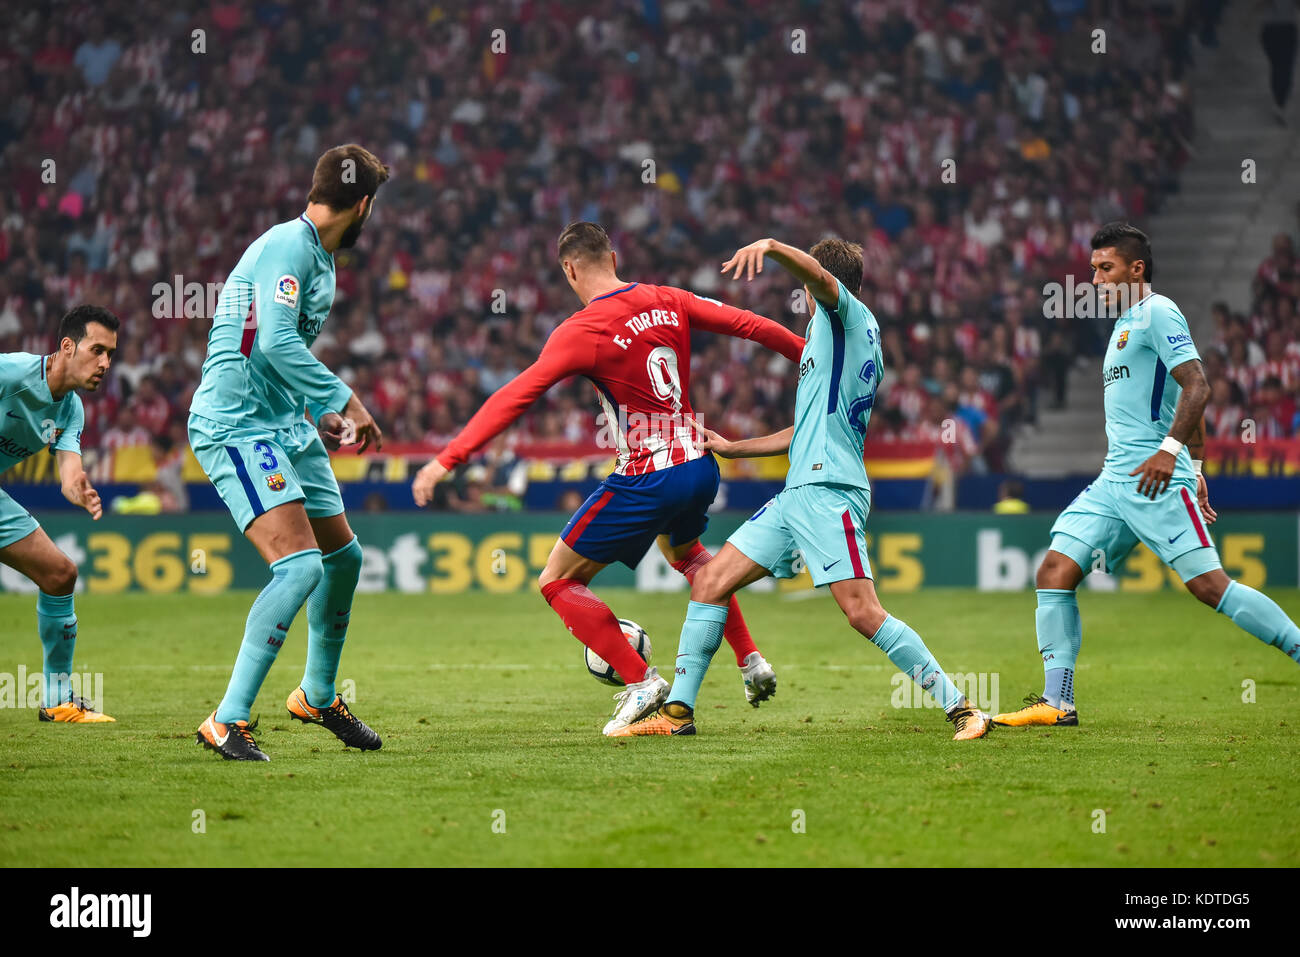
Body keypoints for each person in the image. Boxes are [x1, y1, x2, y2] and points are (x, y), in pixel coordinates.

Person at [411, 222, 805, 735]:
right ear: (613, 256)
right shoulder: (669, 298)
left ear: (569, 269)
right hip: (701, 462)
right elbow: (750, 324)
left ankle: (642, 680)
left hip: (648, 474)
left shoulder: (583, 329)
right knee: (689, 556)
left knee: (557, 579)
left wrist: (450, 457)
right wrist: (810, 357)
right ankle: (751, 660)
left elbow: (517, 395)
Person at [611, 237, 992, 740]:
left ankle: (963, 709)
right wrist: (734, 447)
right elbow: (805, 429)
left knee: (862, 612)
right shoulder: (828, 339)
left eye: (806, 286)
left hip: (829, 490)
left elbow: (821, 279)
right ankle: (678, 713)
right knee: (710, 582)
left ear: (815, 285)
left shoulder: (846, 317)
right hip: (799, 491)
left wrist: (770, 246)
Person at [994, 223, 1300, 728]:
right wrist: (1197, 468)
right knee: (1054, 571)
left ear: (1136, 269)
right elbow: (1179, 401)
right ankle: (1058, 702)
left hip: (1153, 477)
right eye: (1093, 269)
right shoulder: (1122, 325)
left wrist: (1173, 454)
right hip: (1115, 481)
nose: (1095, 280)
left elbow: (1197, 387)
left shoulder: (1158, 312)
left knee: (1209, 586)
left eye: (1106, 268)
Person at [189, 145, 388, 761]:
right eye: (371, 207)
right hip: (237, 424)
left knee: (344, 558)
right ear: (362, 204)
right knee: (300, 567)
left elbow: (277, 350)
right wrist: (346, 399)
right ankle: (228, 719)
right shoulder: (287, 245)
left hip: (287, 425)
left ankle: (318, 695)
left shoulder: (319, 260)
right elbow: (274, 341)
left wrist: (319, 412)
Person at [0, 305, 117, 722]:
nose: (104, 363)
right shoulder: (10, 372)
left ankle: (58, 699)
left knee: (60, 574)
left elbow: (69, 471)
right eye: (97, 350)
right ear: (67, 346)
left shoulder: (70, 410)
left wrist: (79, 489)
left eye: (110, 355)